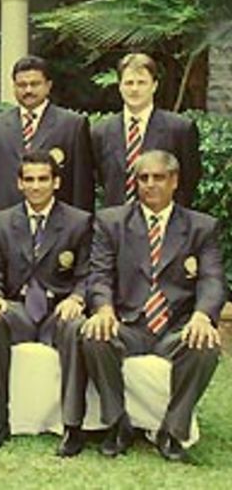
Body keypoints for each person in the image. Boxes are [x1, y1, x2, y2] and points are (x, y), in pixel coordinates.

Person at [76, 150, 223, 462]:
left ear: (174, 181)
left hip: (175, 328)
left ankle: (173, 430)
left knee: (206, 344)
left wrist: (201, 316)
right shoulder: (111, 222)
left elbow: (212, 279)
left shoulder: (201, 227)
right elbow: (99, 275)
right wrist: (103, 310)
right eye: (143, 178)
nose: (150, 184)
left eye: (158, 177)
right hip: (130, 324)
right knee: (93, 336)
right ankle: (117, 424)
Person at [0, 150, 92, 449]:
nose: (36, 186)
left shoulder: (79, 222)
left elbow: (89, 273)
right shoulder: (1, 222)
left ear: (56, 182)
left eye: (43, 179)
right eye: (29, 180)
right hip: (19, 309)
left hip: (58, 309)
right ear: (19, 184)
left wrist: (77, 298)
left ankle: (72, 425)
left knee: (76, 324)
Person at [0, 55, 94, 212]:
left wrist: (80, 227)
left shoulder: (72, 125)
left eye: (34, 84)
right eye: (22, 85)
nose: (28, 90)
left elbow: (82, 187)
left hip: (58, 226)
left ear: (48, 85)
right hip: (4, 225)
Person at [92, 53, 201, 208]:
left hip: (163, 224)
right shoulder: (100, 132)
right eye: (129, 83)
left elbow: (189, 181)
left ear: (154, 85)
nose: (134, 89)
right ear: (120, 86)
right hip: (116, 225)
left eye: (141, 82)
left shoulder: (180, 129)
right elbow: (102, 179)